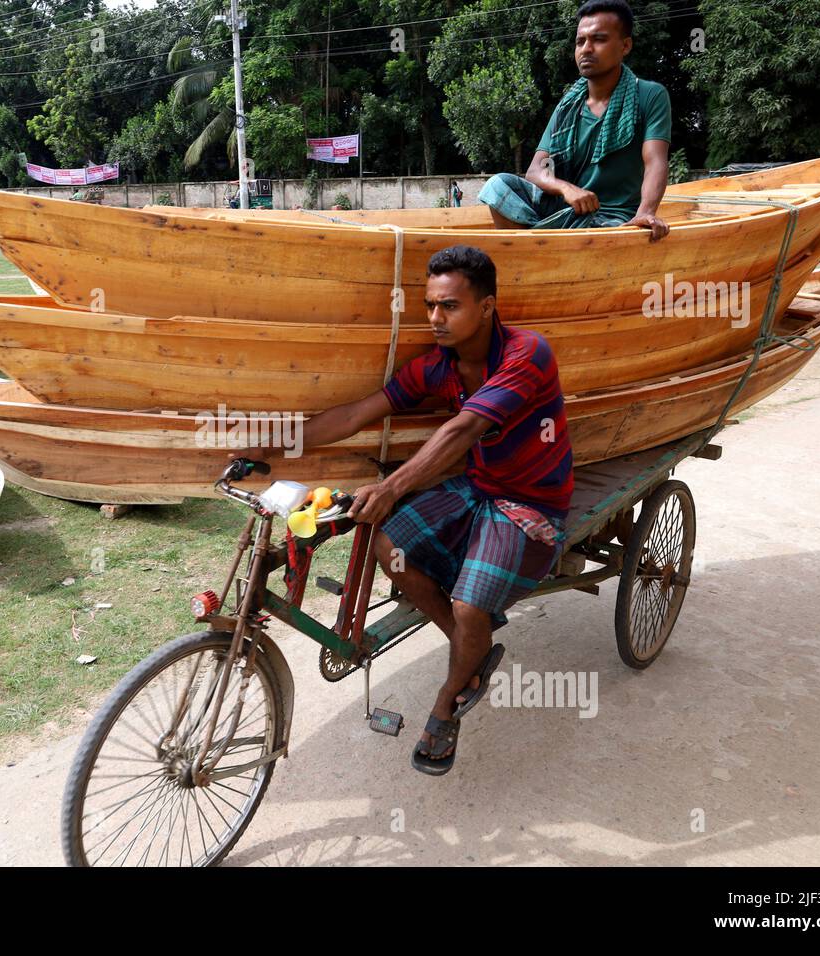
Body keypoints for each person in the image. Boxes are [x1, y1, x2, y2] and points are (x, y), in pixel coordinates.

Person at [241, 245, 573, 775]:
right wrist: (272, 447)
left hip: (528, 503)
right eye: (429, 306)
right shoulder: (438, 367)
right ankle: (472, 649)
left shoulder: (527, 353)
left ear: (487, 307)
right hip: (478, 487)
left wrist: (393, 486)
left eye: (450, 306)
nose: (436, 319)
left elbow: (463, 429)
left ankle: (446, 703)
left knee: (470, 608)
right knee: (386, 544)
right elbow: (354, 414)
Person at [478, 0, 672, 241]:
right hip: (564, 207)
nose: (586, 49)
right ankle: (528, 253)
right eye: (581, 41)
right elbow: (537, 170)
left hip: (612, 217)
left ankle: (538, 246)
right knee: (498, 186)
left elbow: (655, 162)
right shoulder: (568, 105)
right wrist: (566, 189)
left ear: (625, 45)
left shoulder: (649, 95)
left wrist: (645, 214)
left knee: (609, 232)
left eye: (598, 39)